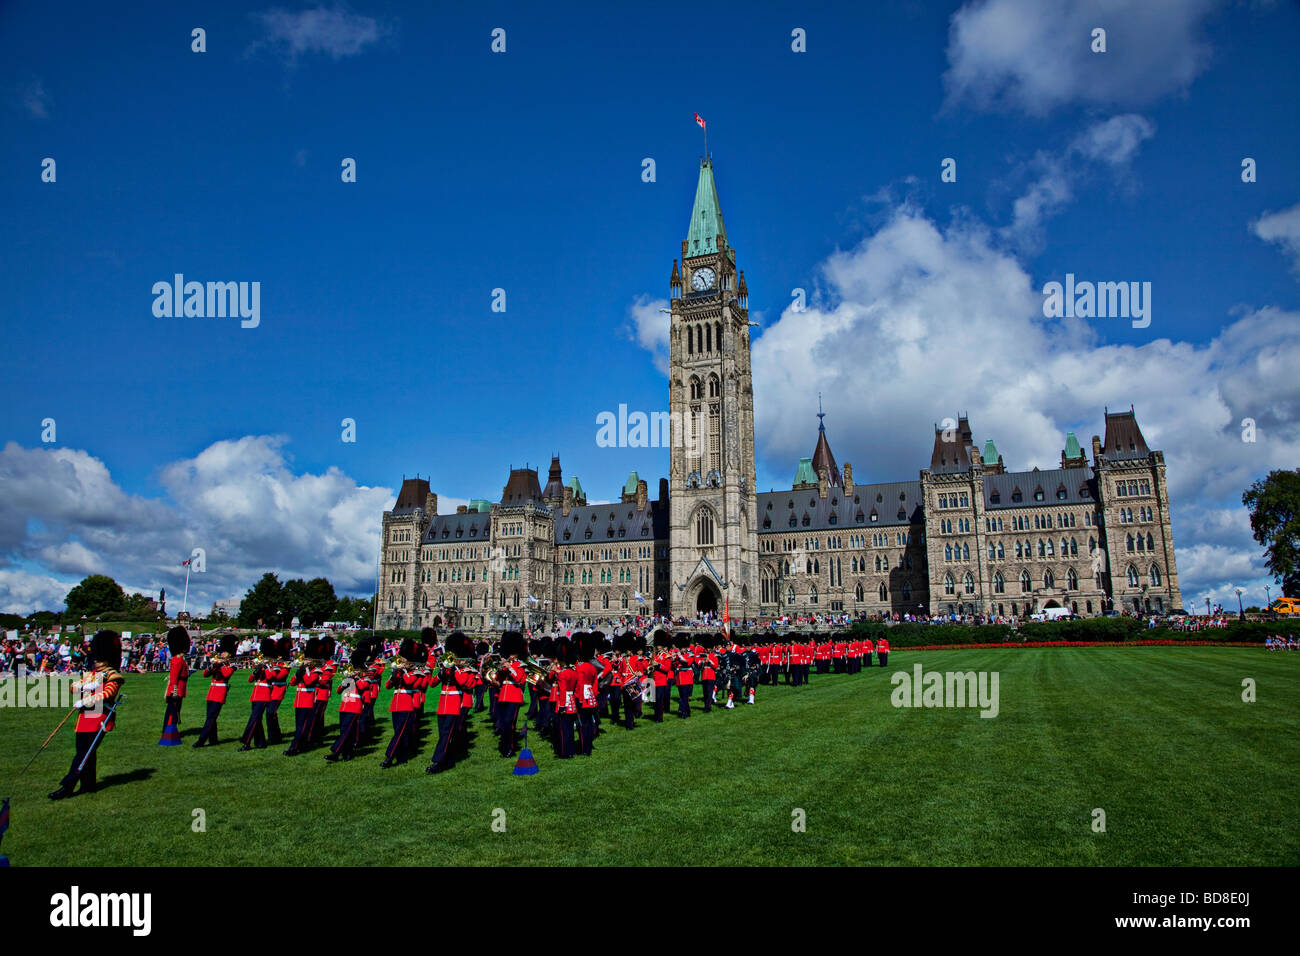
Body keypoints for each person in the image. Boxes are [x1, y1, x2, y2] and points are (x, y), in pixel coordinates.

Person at [49, 630, 125, 800]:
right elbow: (73, 687)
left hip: (99, 718)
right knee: (86, 752)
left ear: (107, 657)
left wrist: (86, 700)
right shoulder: (91, 675)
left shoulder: (113, 675)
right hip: (84, 718)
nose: (96, 661)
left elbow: (108, 694)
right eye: (95, 658)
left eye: (99, 658)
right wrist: (85, 687)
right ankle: (88, 786)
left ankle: (67, 786)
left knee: (83, 754)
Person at [193, 636, 237, 747]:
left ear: (230, 654)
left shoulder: (231, 665)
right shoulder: (218, 663)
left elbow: (226, 674)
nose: (222, 654)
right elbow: (205, 674)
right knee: (210, 717)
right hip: (212, 692)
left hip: (220, 693)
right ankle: (213, 739)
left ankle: (201, 740)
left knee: (211, 717)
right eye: (222, 651)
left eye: (225, 652)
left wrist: (220, 664)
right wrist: (213, 665)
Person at [283, 637, 323, 756]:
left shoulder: (316, 671)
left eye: (308, 659)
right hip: (299, 700)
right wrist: (300, 670)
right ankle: (302, 745)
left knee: (302, 727)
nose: (306, 660)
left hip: (308, 700)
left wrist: (304, 669)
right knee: (299, 726)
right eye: (306, 658)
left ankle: (293, 748)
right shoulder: (303, 670)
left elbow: (309, 682)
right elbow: (292, 683)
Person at [239, 637, 277, 751]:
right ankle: (260, 742)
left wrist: (265, 666)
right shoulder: (261, 663)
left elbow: (271, 677)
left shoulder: (273, 665)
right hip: (255, 694)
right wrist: (257, 670)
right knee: (257, 719)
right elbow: (250, 679)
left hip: (264, 694)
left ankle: (246, 742)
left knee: (254, 718)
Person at [161, 626, 190, 734]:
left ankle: (170, 730)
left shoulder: (180, 659)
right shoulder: (178, 660)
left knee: (175, 710)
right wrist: (175, 690)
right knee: (172, 711)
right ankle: (168, 731)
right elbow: (174, 677)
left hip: (179, 688)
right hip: (176, 689)